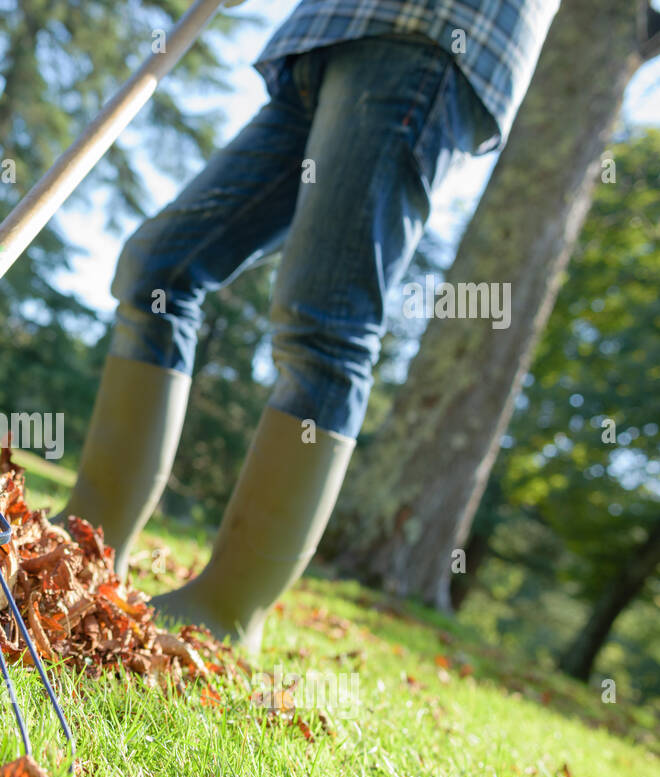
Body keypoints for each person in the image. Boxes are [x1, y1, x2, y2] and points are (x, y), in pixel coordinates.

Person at [60, 0, 560, 651]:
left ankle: (224, 611)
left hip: (429, 29)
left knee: (326, 322)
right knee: (160, 268)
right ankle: (87, 540)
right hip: (333, 26)